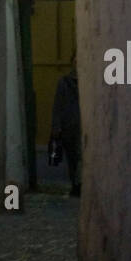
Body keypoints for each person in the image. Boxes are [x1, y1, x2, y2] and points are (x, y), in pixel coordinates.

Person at [50, 60, 81, 197]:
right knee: (73, 159)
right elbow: (58, 106)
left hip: (81, 127)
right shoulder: (64, 83)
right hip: (69, 127)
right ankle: (75, 185)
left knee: (81, 158)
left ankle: (79, 185)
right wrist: (56, 127)